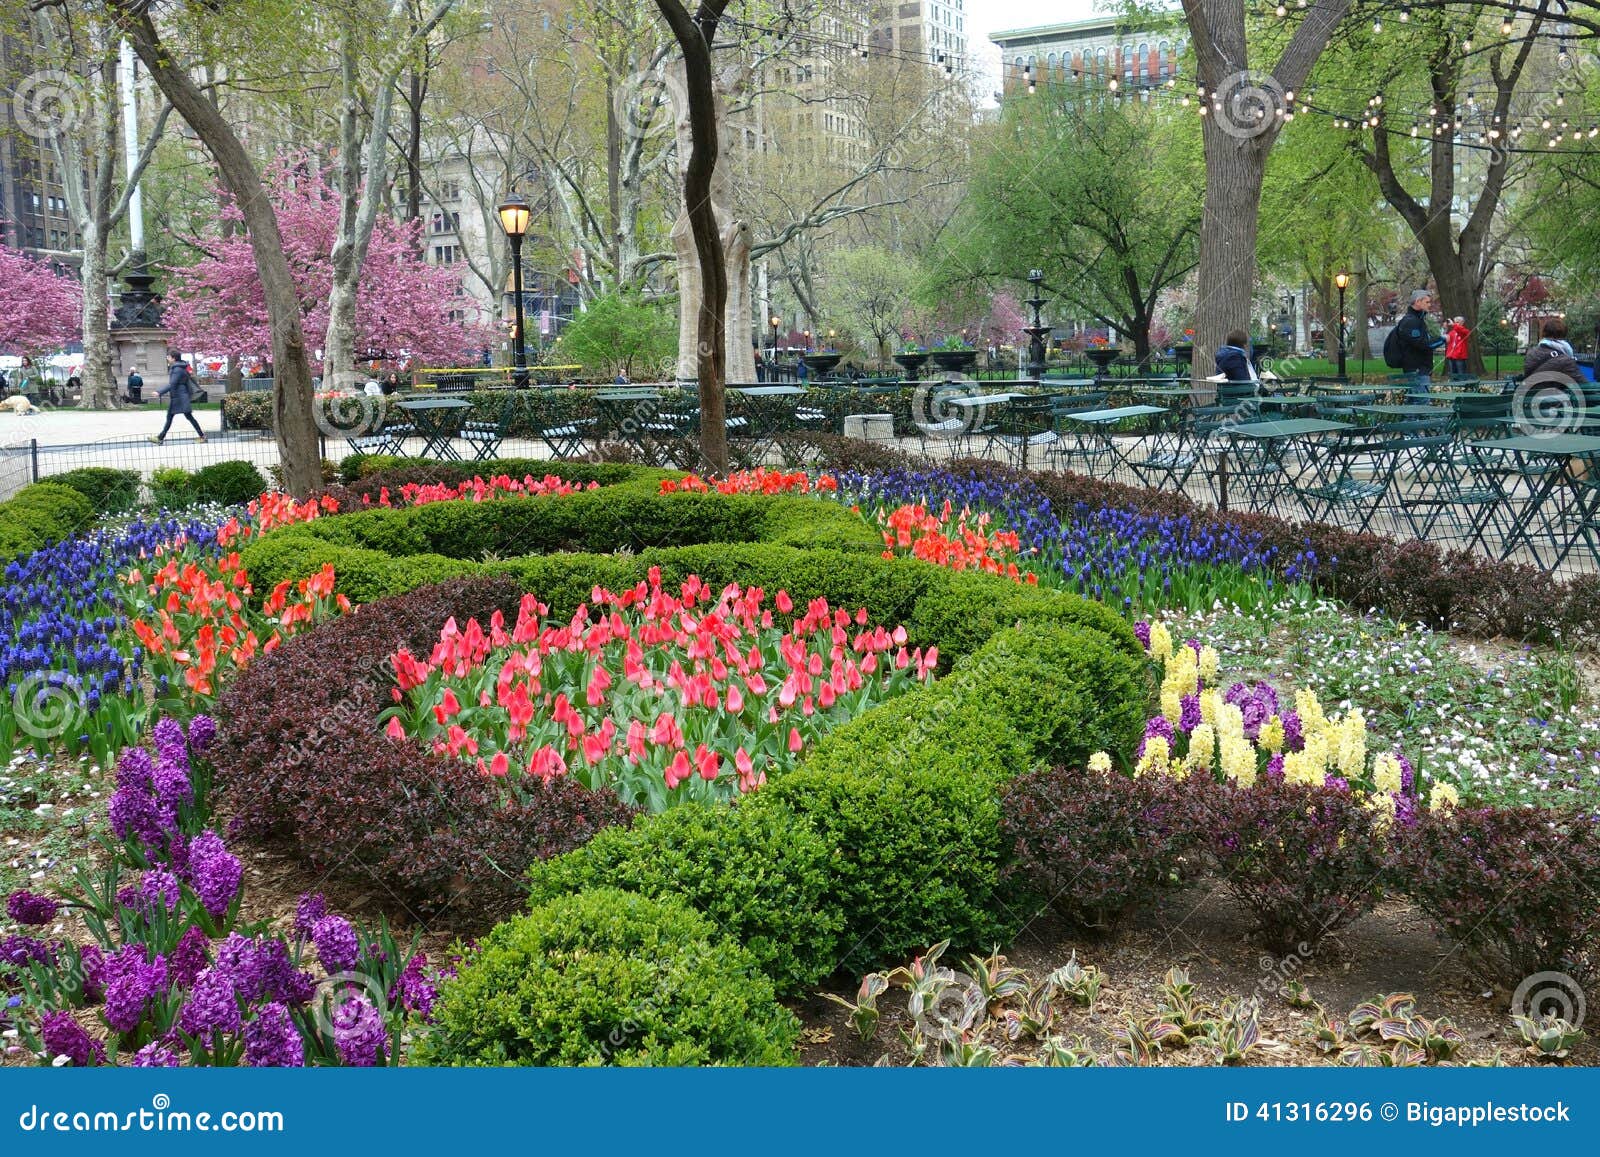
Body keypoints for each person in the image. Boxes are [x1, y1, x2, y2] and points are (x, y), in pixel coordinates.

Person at [149, 351, 206, 444]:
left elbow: (173, 384)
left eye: (169, 356)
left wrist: (159, 392)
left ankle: (160, 438)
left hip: (179, 397)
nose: (167, 358)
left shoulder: (177, 369)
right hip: (180, 397)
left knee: (184, 417)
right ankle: (160, 437)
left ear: (173, 358)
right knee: (178, 417)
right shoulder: (180, 368)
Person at [1392, 289, 1444, 387]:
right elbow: (1423, 344)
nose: (1429, 305)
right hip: (1417, 371)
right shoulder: (1411, 321)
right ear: (1418, 302)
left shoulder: (1418, 320)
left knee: (1416, 399)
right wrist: (1443, 339)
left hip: (1421, 370)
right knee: (1421, 400)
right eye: (1427, 302)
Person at [1522, 317, 1582, 382]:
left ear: (1544, 333)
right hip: (1555, 391)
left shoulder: (1531, 354)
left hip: (1530, 390)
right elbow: (1584, 386)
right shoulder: (1566, 361)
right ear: (1564, 334)